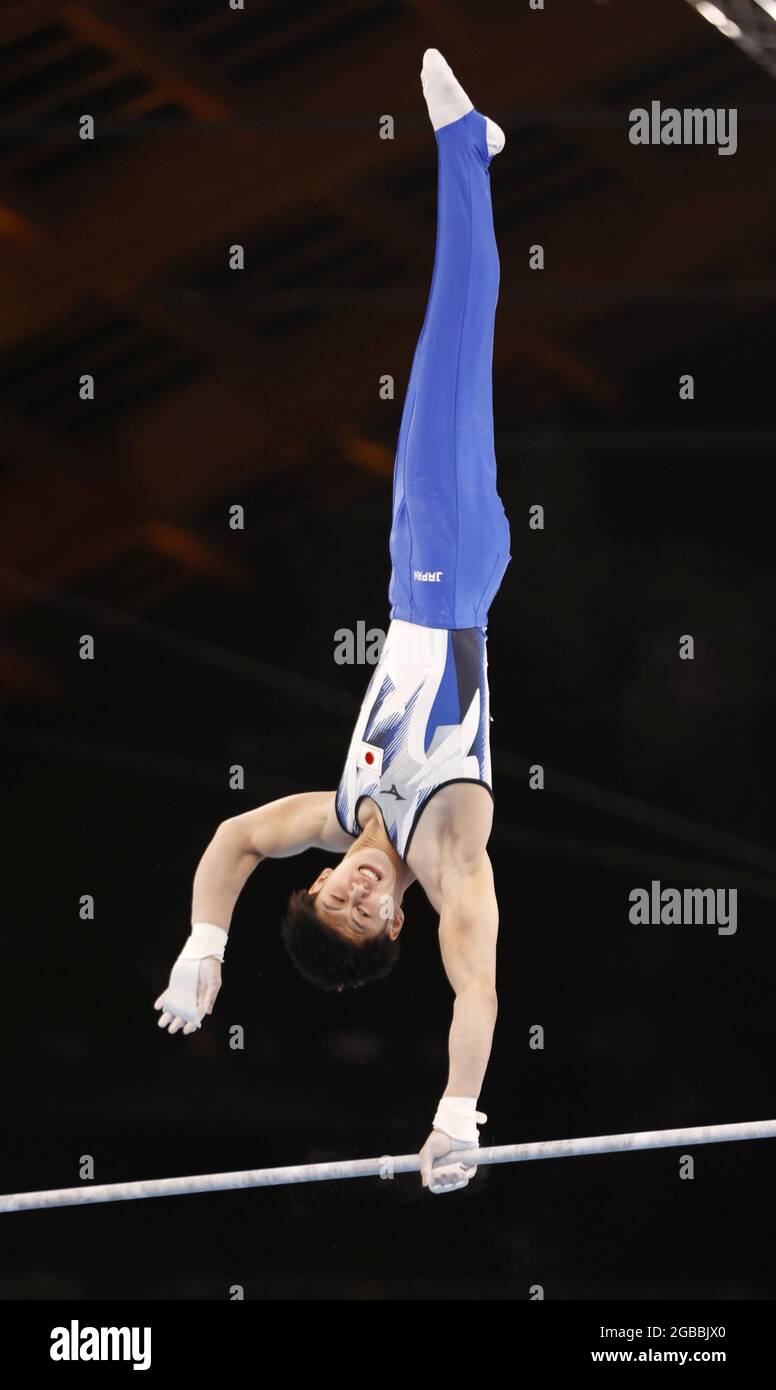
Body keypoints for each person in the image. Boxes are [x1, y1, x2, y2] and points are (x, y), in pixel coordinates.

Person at [156, 50, 511, 1196]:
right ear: (394, 926)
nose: (354, 889)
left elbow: (233, 840)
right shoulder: (450, 857)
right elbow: (479, 987)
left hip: (425, 566)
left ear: (316, 886)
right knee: (447, 340)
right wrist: (456, 1110)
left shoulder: (340, 815)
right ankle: (464, 148)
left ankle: (476, 159)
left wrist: (204, 943)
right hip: (448, 573)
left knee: (455, 345)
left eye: (329, 897)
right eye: (367, 912)